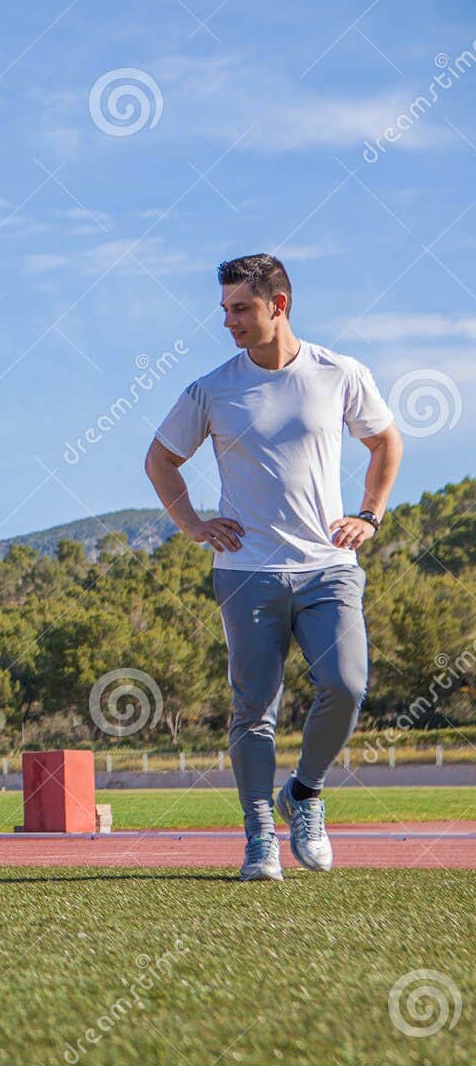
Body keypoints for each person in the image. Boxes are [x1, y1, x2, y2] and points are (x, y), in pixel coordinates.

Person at [145, 254, 403, 881]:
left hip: (329, 568)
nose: (228, 321)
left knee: (346, 685)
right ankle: (260, 834)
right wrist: (194, 525)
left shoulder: (340, 373)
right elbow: (160, 460)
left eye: (241, 308)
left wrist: (369, 516)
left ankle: (305, 794)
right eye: (225, 309)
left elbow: (385, 442)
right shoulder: (211, 389)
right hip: (247, 572)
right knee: (253, 707)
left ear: (278, 305)